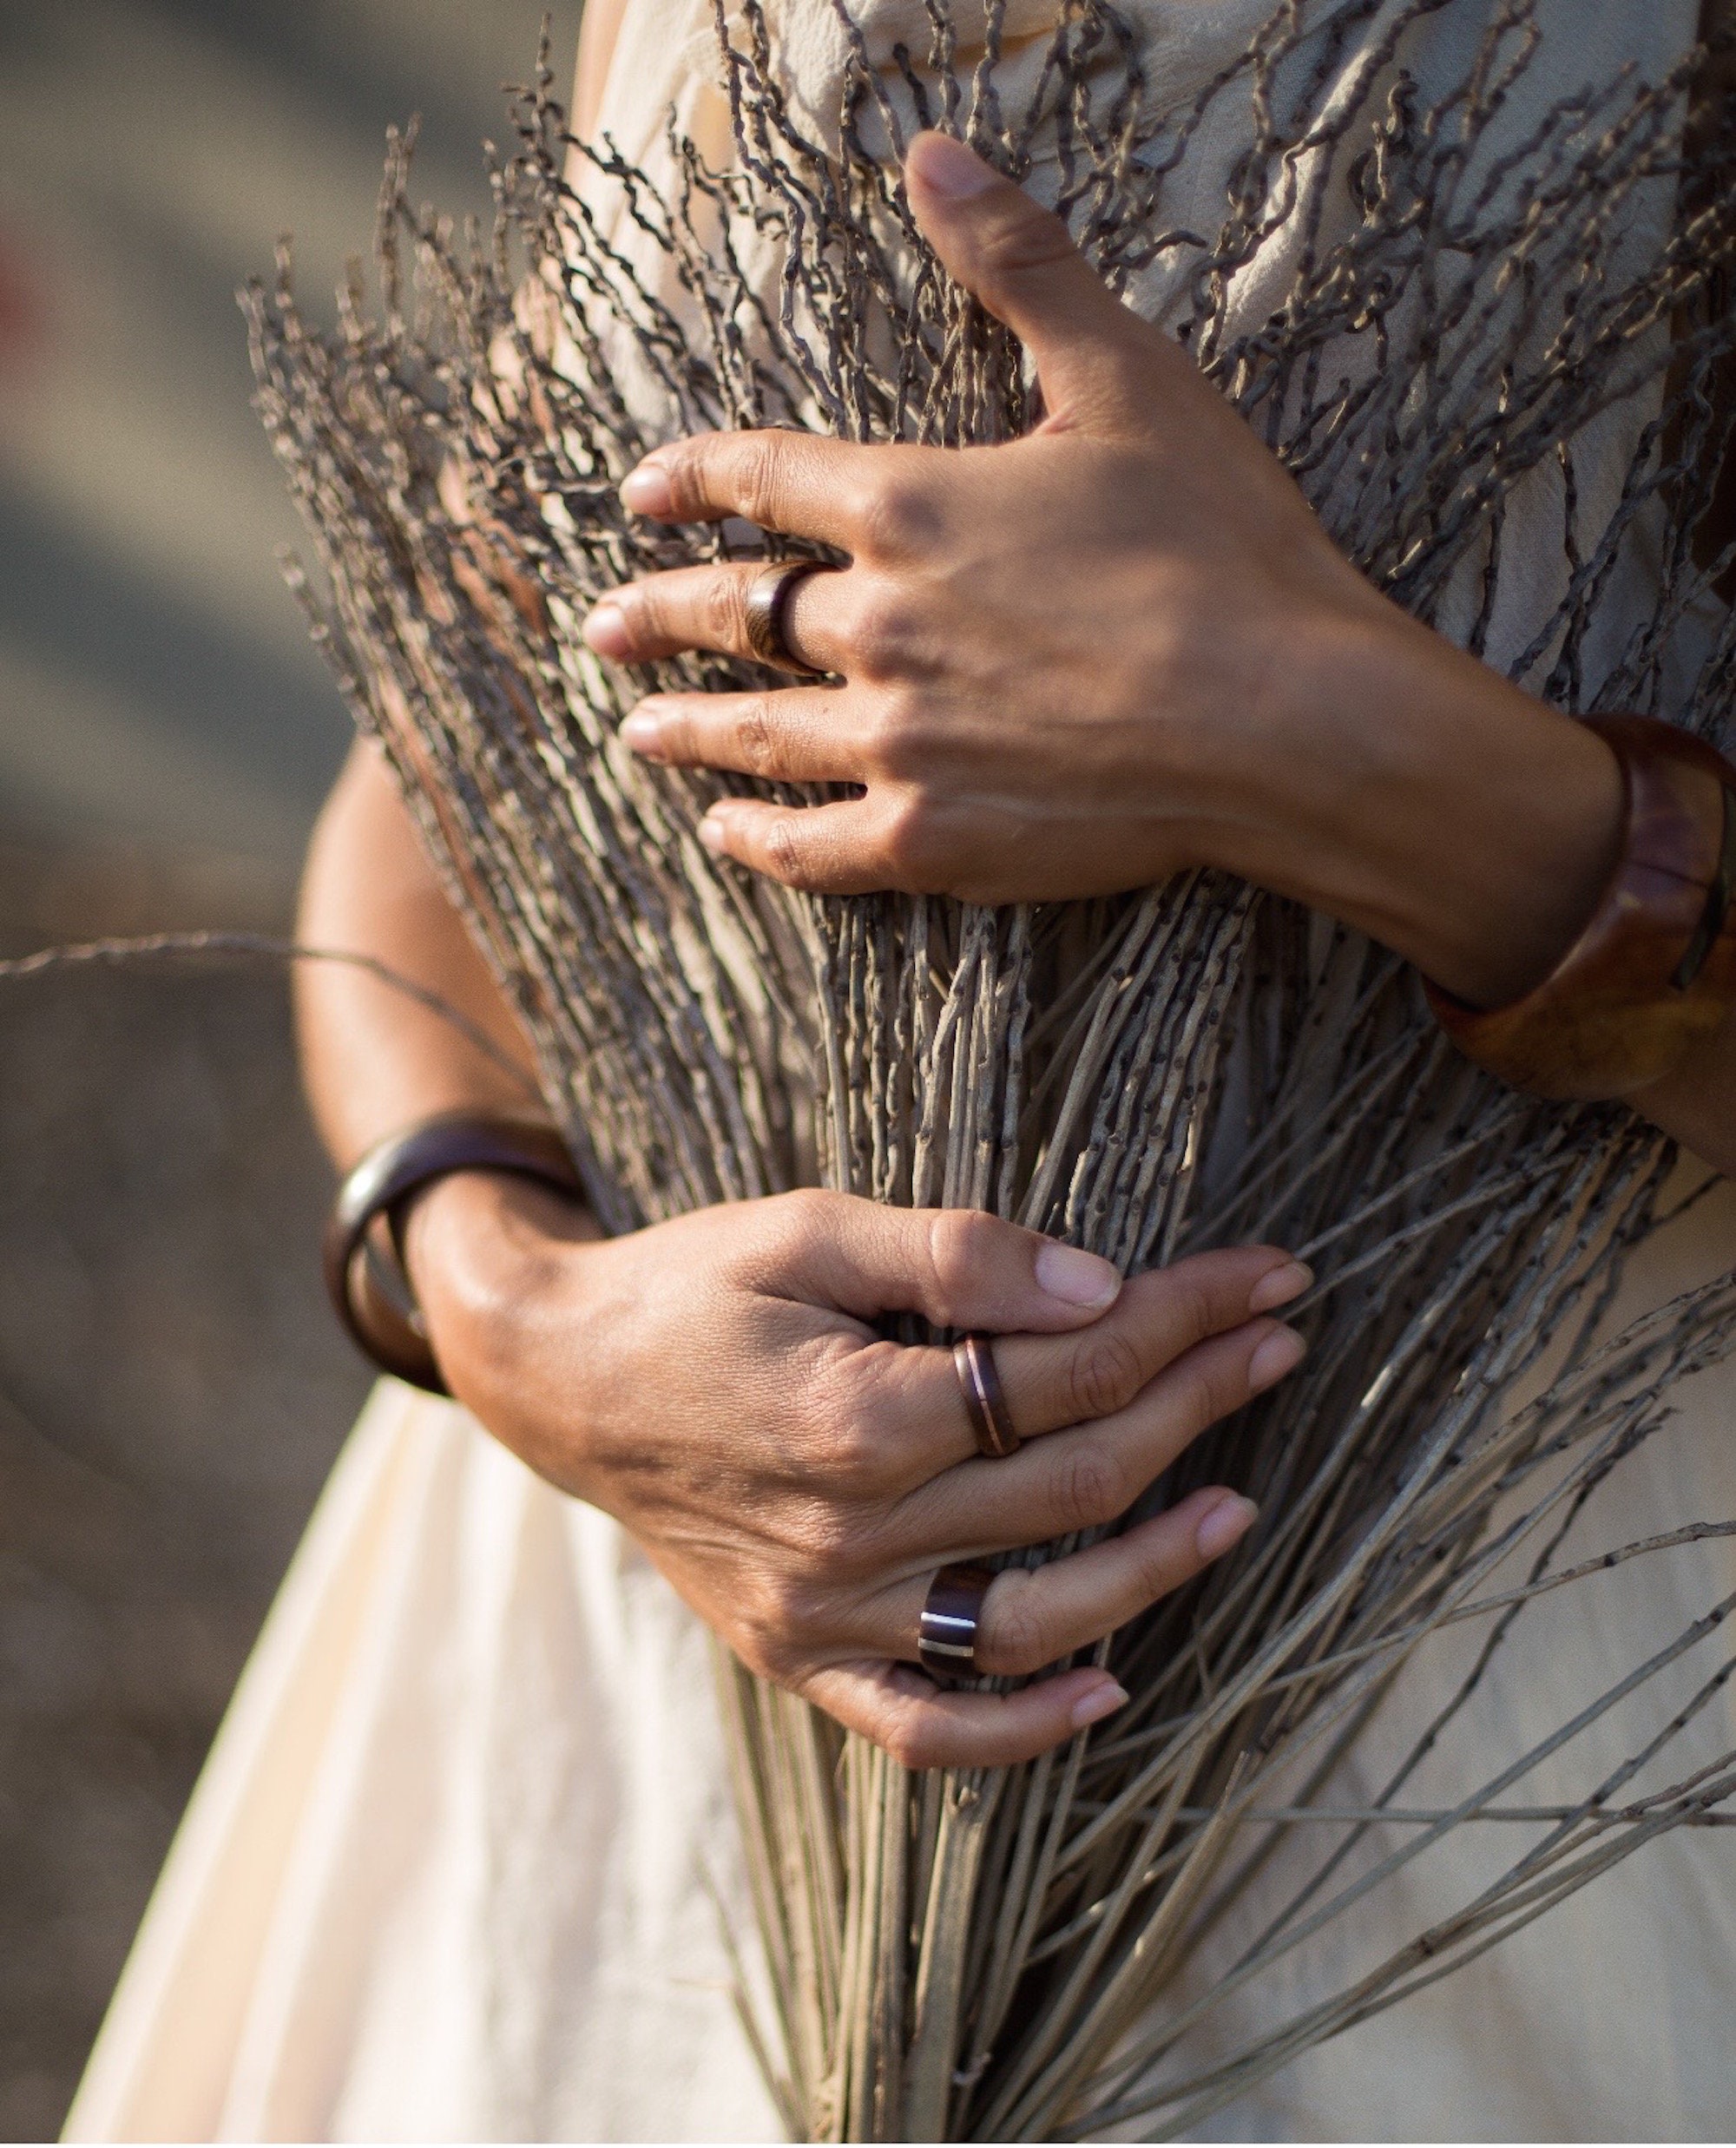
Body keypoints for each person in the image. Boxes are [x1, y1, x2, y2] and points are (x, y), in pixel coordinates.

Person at [66, 0, 1736, 2138]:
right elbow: (463, 758)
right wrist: (513, 1311)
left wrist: (1339, 756)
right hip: (647, 1637)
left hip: (1516, 1760)